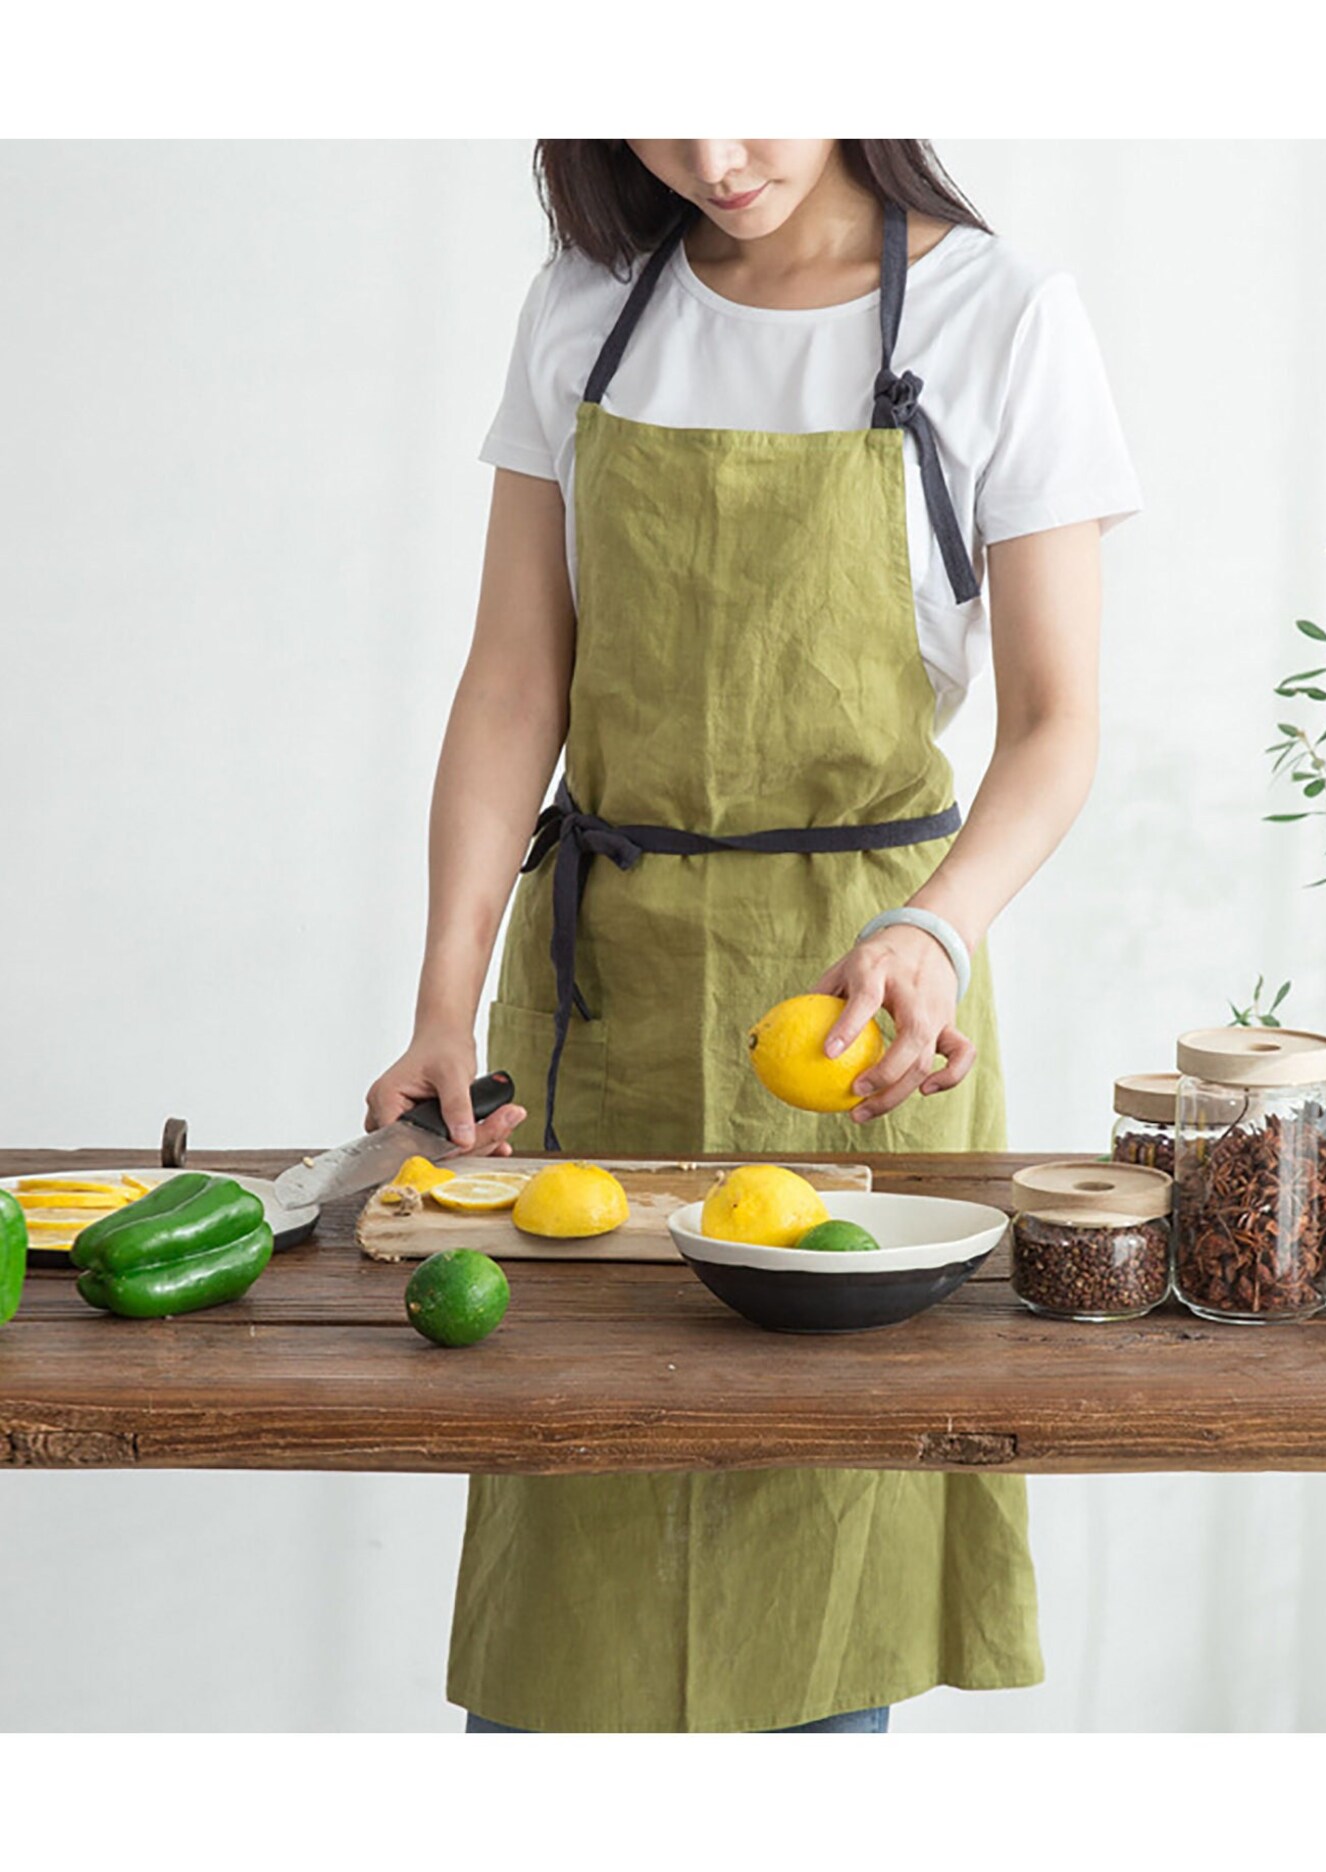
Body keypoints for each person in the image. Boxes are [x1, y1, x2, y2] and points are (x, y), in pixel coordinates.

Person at [366, 138, 1142, 1733]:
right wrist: (446, 1000)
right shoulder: (585, 307)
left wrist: (937, 928)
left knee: (811, 1581)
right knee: (569, 1569)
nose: (715, 155)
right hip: (600, 999)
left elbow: (1059, 725)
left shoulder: (1001, 317)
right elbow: (517, 680)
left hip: (863, 1002)